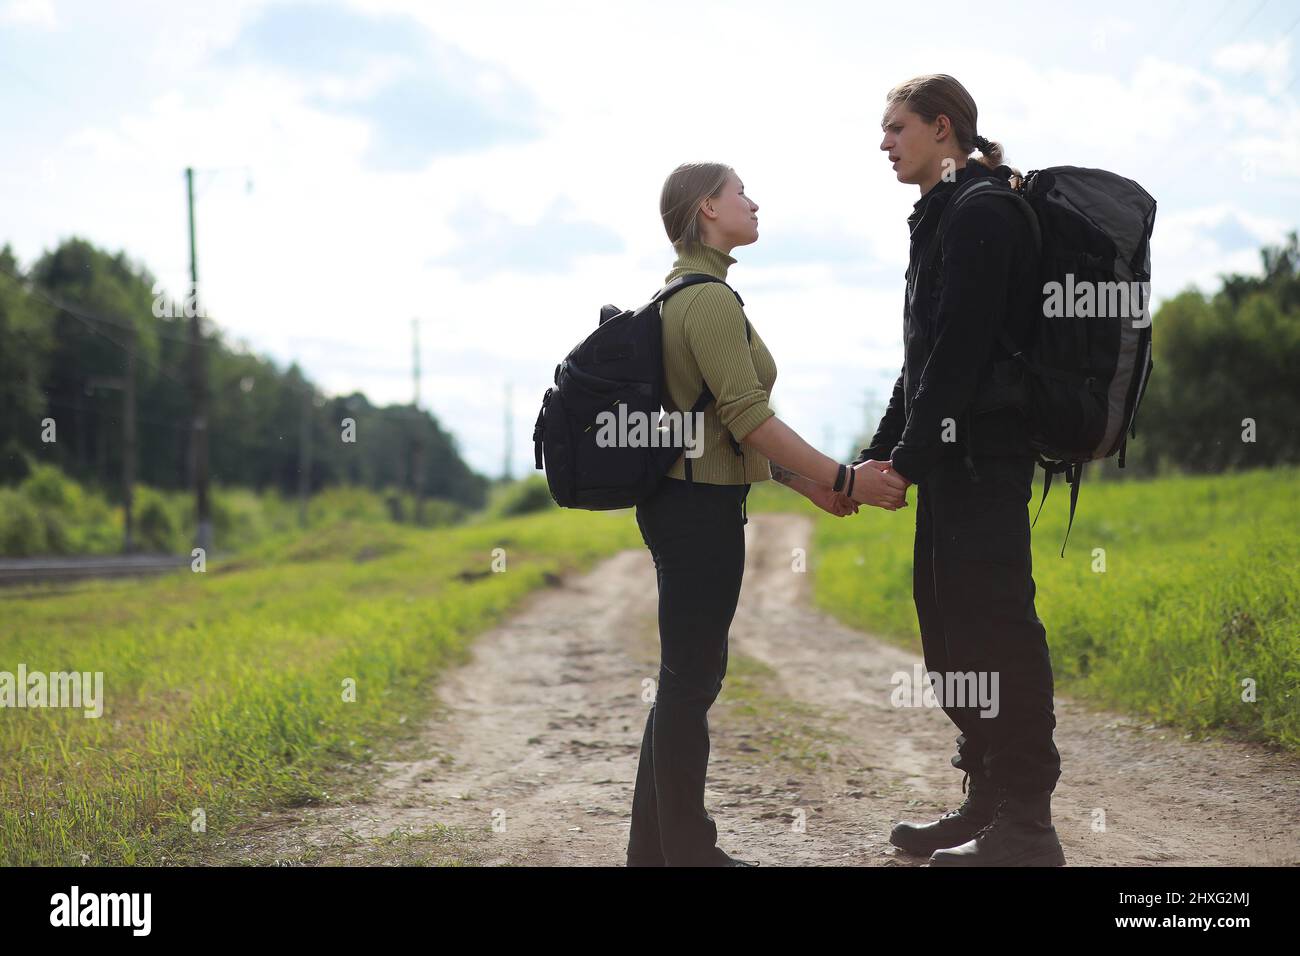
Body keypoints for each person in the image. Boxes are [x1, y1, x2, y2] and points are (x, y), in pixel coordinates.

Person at [627, 161, 905, 866]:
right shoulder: (708, 300)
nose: (754, 202)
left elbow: (722, 427)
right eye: (740, 192)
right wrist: (843, 474)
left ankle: (656, 852)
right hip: (697, 512)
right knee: (691, 682)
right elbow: (749, 417)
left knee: (685, 680)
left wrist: (804, 484)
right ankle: (688, 853)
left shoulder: (683, 294)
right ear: (706, 211)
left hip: (683, 502)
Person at [854, 74, 1066, 866]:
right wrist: (882, 452)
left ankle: (1028, 825)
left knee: (996, 630)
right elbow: (922, 357)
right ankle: (986, 800)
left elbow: (962, 352)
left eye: (895, 127)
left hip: (986, 459)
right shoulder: (946, 212)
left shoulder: (982, 211)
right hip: (952, 462)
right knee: (950, 637)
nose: (884, 143)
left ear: (943, 128)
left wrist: (905, 463)